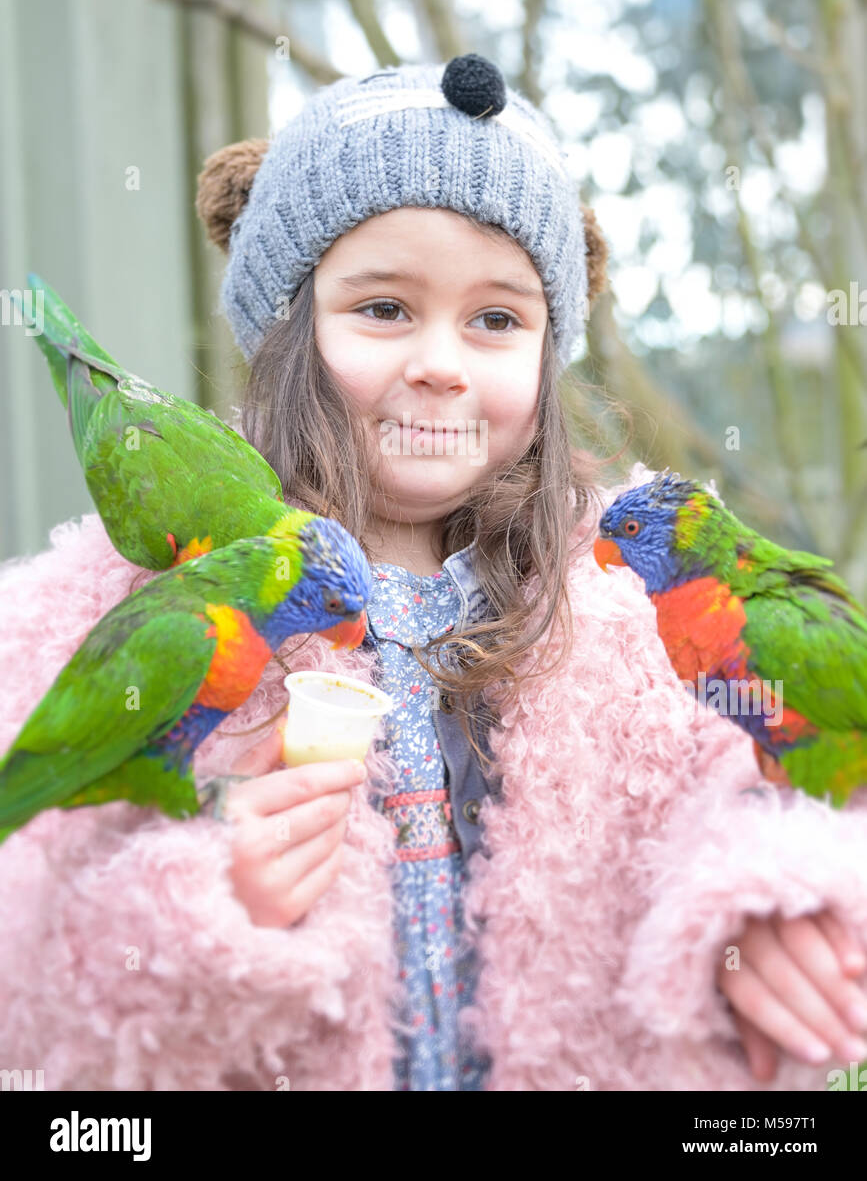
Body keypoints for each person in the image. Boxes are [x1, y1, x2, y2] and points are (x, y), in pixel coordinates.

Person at [2, 54, 867, 1092]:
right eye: (384, 309)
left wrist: (763, 907)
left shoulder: (648, 604)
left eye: (496, 319)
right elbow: (29, 978)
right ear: (286, 330)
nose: (443, 363)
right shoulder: (113, 601)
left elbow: (756, 791)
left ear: (550, 356)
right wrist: (205, 912)